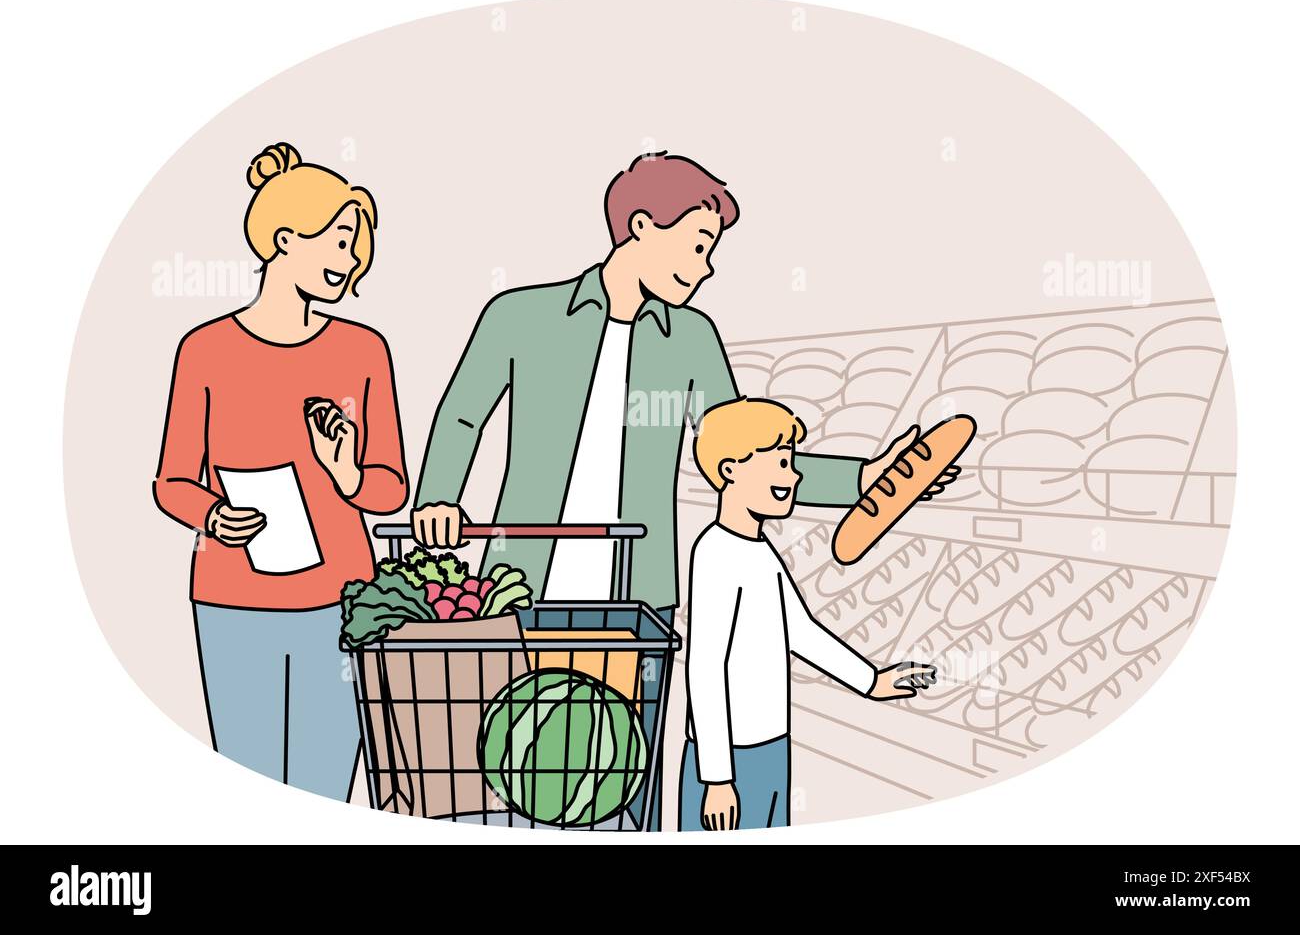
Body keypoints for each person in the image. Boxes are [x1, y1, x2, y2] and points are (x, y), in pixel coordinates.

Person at [412, 152, 955, 827]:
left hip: (636, 603)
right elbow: (464, 411)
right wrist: (438, 497)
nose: (705, 268)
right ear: (640, 226)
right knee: (514, 772)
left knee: (618, 783)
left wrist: (861, 482)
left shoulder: (691, 340)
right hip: (522, 587)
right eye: (698, 247)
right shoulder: (520, 316)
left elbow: (748, 451)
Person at [152, 143, 407, 799]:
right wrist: (213, 515)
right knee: (248, 783)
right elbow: (173, 480)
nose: (349, 261)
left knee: (325, 789)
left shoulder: (363, 349)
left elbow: (390, 487)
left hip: (343, 601)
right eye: (339, 240)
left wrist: (346, 475)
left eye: (355, 247)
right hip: (234, 600)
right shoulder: (205, 350)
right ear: (285, 239)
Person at [680, 398, 937, 830]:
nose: (794, 475)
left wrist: (871, 681)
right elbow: (705, 667)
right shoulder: (715, 554)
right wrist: (718, 778)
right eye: (780, 463)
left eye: (792, 463)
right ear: (730, 470)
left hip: (770, 746)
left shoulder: (761, 552)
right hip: (730, 758)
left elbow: (800, 631)